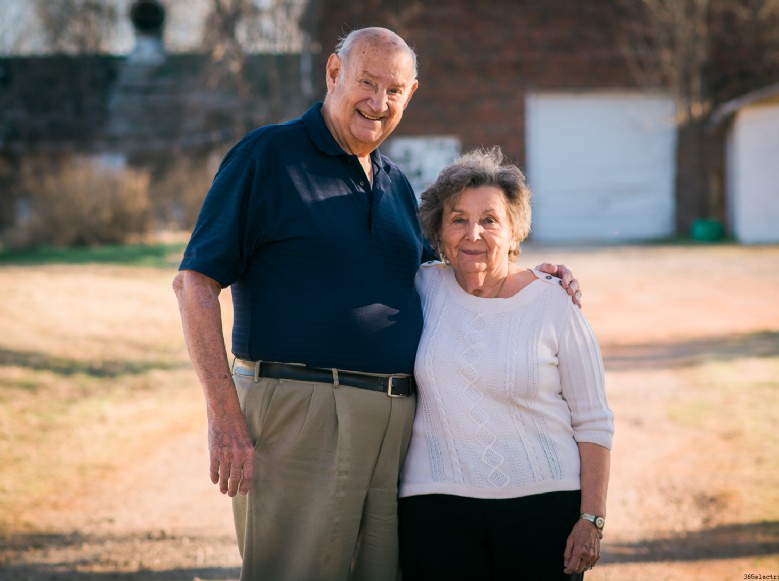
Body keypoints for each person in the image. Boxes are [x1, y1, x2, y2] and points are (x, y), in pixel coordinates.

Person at [173, 28, 581, 581]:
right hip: (301, 410)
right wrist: (223, 413)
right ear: (334, 73)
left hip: (394, 421)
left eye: (395, 90)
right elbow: (194, 283)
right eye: (367, 82)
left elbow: (448, 273)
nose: (378, 102)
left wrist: (532, 277)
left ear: (410, 96)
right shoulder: (267, 156)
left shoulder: (395, 186)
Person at [397, 147, 613, 581]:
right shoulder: (422, 287)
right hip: (434, 507)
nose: (473, 232)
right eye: (458, 219)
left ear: (515, 232)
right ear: (439, 233)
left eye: (490, 220)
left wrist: (591, 519)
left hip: (544, 508)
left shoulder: (554, 301)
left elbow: (593, 421)